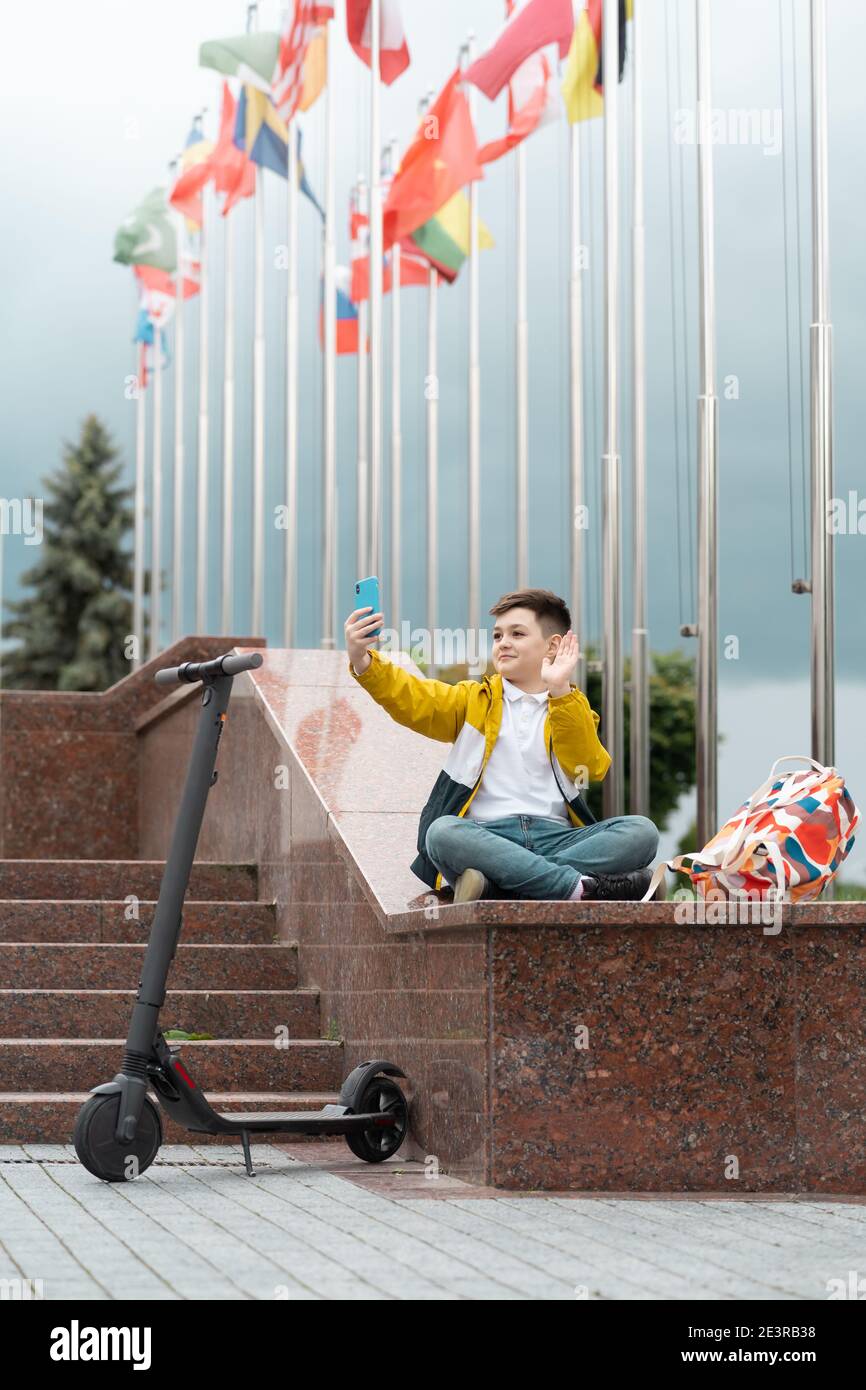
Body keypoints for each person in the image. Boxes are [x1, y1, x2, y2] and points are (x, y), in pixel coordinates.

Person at [344, 587, 659, 902]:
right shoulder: (472, 700)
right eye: (497, 635)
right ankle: (579, 887)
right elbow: (413, 697)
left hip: (558, 838)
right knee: (442, 833)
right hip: (486, 837)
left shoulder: (572, 707)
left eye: (517, 634)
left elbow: (589, 767)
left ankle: (501, 885)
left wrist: (560, 690)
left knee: (641, 832)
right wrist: (363, 660)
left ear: (552, 646)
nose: (503, 642)